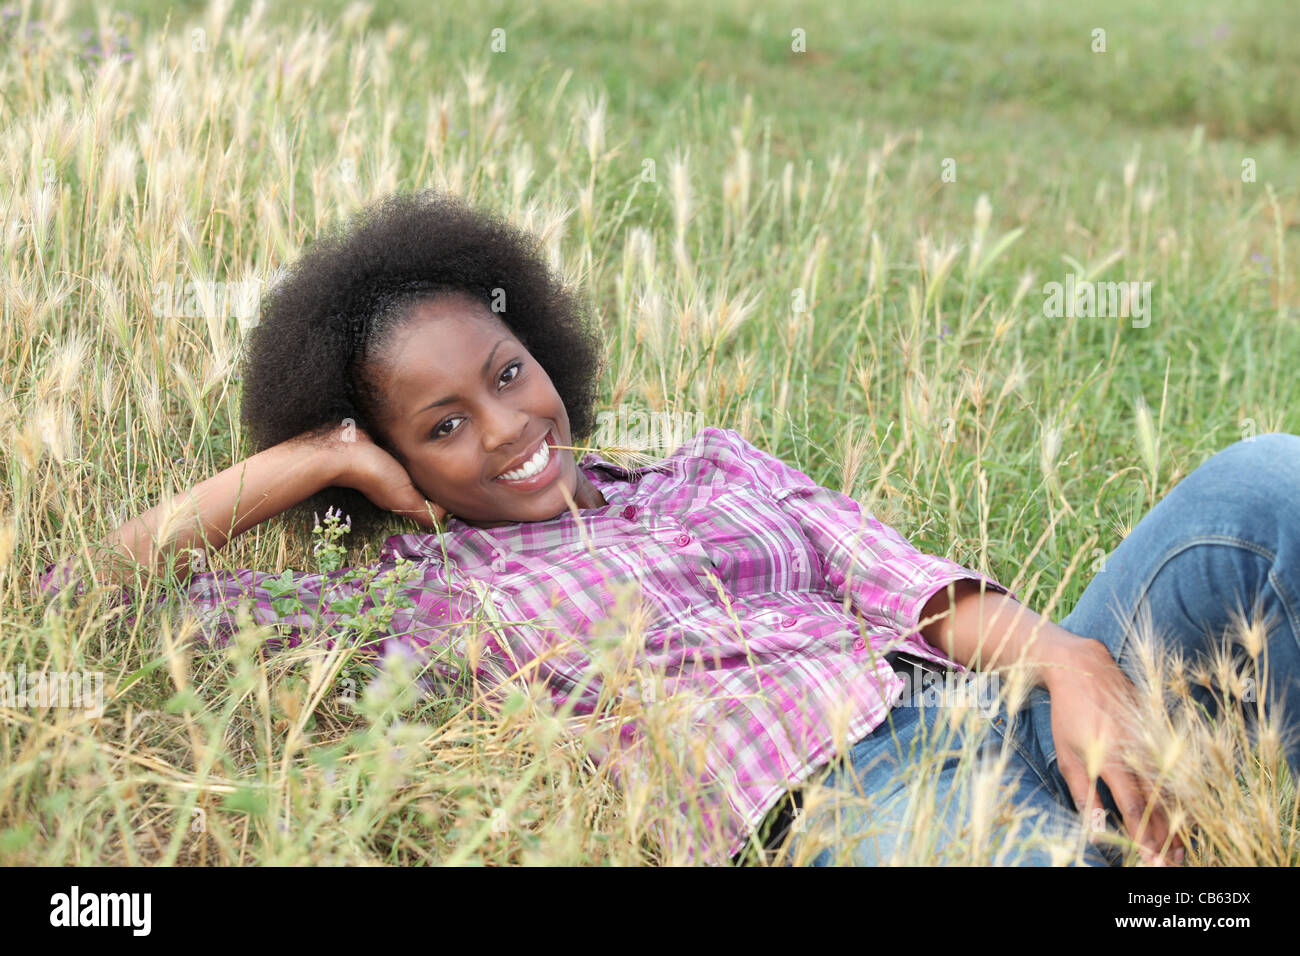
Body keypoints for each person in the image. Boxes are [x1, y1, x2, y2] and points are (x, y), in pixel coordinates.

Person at [40, 190, 1299, 866]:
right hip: (857, 803)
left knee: (1263, 479)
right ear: (382, 457)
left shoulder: (706, 465)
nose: (505, 426)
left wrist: (1071, 663)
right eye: (439, 426)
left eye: (505, 371)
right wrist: (296, 463)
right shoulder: (422, 593)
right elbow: (78, 597)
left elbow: (901, 583)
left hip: (991, 707)